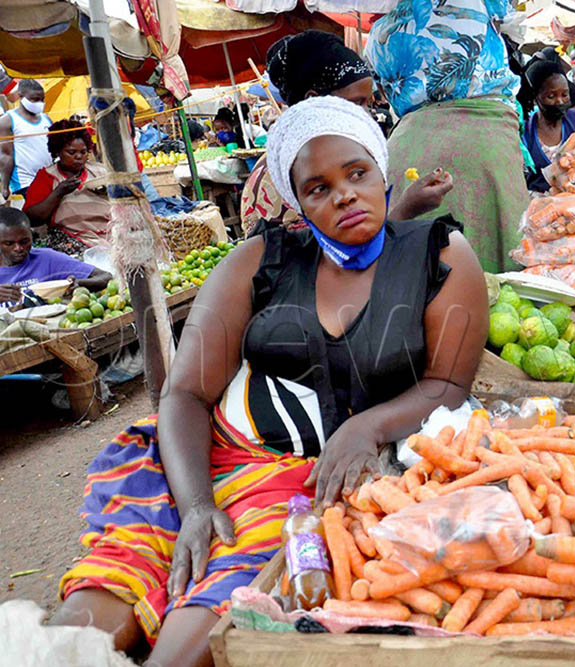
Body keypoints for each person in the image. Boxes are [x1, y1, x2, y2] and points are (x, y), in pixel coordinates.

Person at [50, 96, 488, 666]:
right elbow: (184, 394)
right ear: (299, 202)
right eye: (318, 188)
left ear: (382, 172)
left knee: (215, 608)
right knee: (119, 577)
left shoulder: (440, 255)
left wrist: (366, 426)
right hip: (210, 458)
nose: (344, 194)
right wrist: (198, 504)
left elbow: (447, 383)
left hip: (309, 487)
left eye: (357, 174)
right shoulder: (261, 260)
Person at [365, 0, 530, 273]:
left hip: (406, 147)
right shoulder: (472, 4)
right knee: (499, 291)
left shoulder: (382, 30)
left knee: (414, 277)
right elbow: (511, 21)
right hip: (483, 142)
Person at [241, 31, 452, 237]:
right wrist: (406, 209)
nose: (367, 114)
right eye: (356, 103)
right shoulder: (290, 175)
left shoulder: (332, 158)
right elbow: (338, 259)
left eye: (368, 103)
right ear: (313, 101)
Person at [23, 120, 112, 254]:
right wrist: (58, 193)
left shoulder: (100, 172)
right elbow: (32, 218)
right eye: (71, 152)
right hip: (72, 238)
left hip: (109, 234)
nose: (78, 157)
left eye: (83, 152)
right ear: (58, 152)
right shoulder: (47, 176)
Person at [0, 207, 110, 309]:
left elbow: (106, 276)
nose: (18, 248)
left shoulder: (47, 259)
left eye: (24, 241)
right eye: (9, 243)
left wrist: (79, 283)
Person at [523, 61, 575, 192]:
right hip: (539, 207)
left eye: (564, 95)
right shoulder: (524, 132)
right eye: (551, 96)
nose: (559, 101)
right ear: (536, 97)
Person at [0, 79, 53, 200]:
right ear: (21, 96)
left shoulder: (46, 119)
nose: (40, 103)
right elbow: (5, 156)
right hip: (24, 183)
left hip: (49, 180)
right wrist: (5, 187)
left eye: (42, 99)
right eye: (35, 99)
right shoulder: (7, 121)